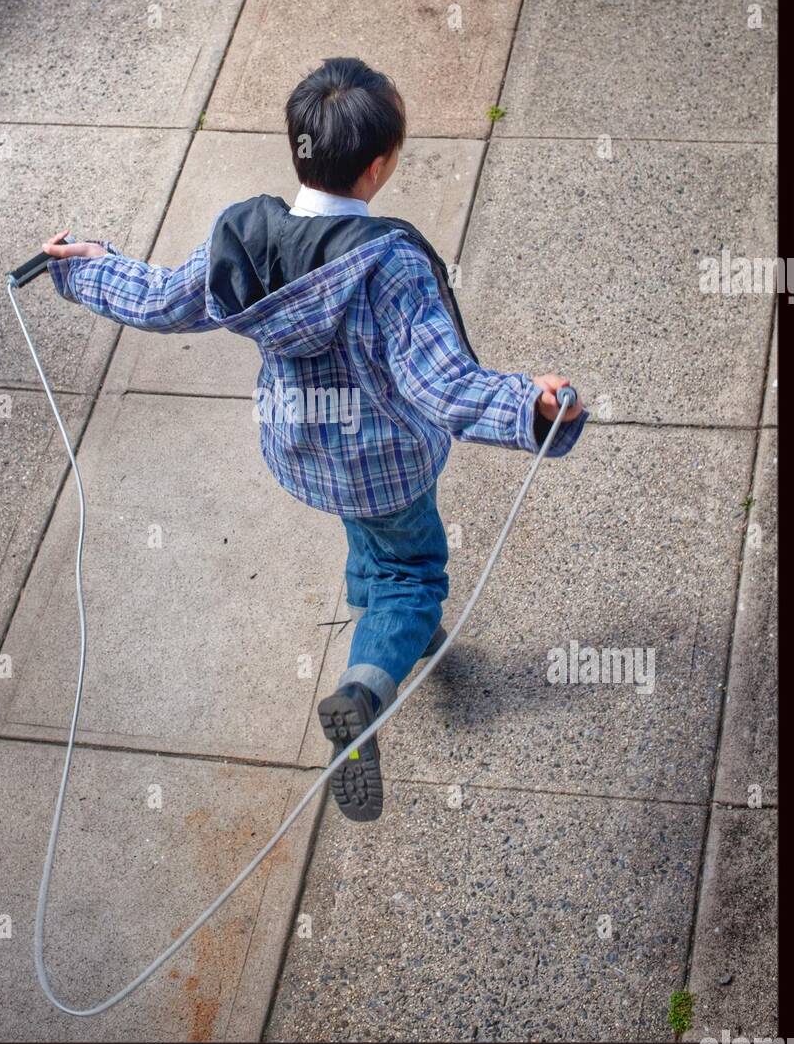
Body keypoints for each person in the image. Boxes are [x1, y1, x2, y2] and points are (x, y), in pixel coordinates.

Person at [42, 56, 588, 822]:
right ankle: (367, 685)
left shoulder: (245, 234)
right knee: (409, 567)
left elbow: (164, 299)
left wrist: (86, 270)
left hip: (299, 449)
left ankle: (392, 623)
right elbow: (442, 388)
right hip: (387, 461)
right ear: (378, 167)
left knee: (369, 543)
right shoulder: (388, 263)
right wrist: (532, 407)